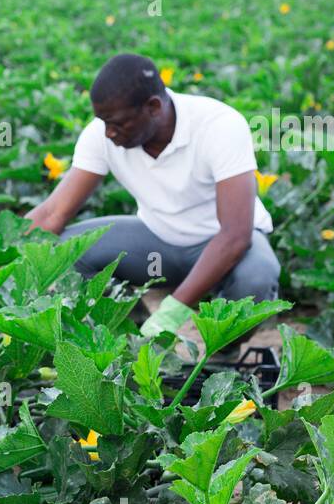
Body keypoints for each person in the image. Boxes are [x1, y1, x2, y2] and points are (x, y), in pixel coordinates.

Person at [26, 54, 280, 340]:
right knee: (63, 251)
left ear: (154, 107)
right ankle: (125, 335)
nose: (108, 132)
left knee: (256, 279)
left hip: (224, 244)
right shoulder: (103, 133)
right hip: (157, 243)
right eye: (103, 122)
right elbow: (52, 214)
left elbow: (235, 235)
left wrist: (171, 312)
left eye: (118, 123)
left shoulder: (218, 125)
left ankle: (220, 355)